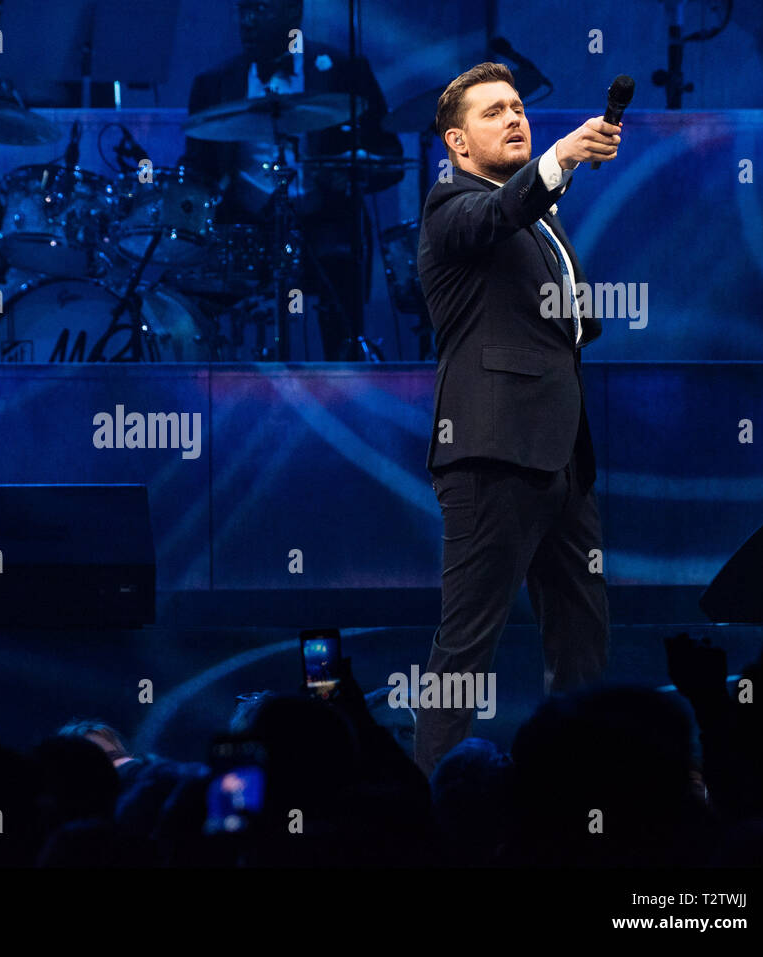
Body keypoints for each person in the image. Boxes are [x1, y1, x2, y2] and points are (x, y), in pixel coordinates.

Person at [413, 61, 621, 776]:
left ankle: (584, 791)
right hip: (492, 451)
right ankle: (434, 810)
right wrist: (560, 158)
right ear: (457, 144)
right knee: (467, 643)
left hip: (562, 452)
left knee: (583, 636)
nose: (515, 117)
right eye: (494, 111)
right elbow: (496, 217)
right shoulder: (452, 204)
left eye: (518, 107)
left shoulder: (537, 218)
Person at [184, 0, 402, 359]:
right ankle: (219, 387)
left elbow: (387, 154)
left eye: (260, 10)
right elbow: (197, 168)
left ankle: (345, 377)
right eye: (243, 12)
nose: (248, 22)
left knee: (341, 267)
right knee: (201, 281)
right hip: (245, 221)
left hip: (324, 218)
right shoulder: (213, 83)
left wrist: (351, 169)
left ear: (293, 15)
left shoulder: (344, 70)